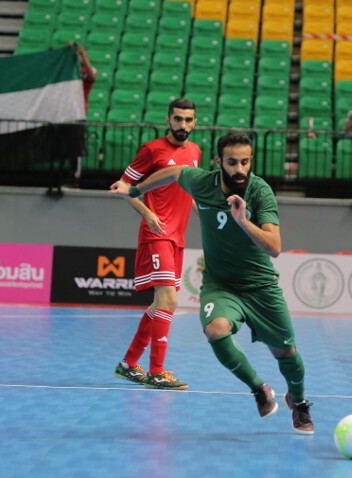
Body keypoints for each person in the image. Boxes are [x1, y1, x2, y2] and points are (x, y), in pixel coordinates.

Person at [109, 132, 315, 434]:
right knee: (215, 330)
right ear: (219, 162)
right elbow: (174, 173)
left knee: (286, 353)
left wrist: (243, 220)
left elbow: (274, 246)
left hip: (261, 286)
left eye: (245, 162)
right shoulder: (202, 182)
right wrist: (135, 188)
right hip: (220, 284)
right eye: (232, 162)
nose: (240, 169)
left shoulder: (260, 192)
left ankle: (298, 403)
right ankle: (258, 388)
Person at [112, 98, 201, 390]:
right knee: (169, 301)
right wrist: (148, 213)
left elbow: (192, 194)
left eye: (188, 120)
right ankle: (157, 372)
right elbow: (123, 188)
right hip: (157, 233)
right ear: (168, 120)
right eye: (178, 119)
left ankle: (128, 363)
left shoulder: (196, 152)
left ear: (194, 122)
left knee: (160, 302)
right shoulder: (151, 150)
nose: (183, 125)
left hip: (178, 237)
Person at [67, 41, 96, 112]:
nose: (78, 57)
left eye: (80, 55)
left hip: (78, 110)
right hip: (62, 109)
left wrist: (83, 55)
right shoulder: (66, 70)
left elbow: (91, 77)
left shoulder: (89, 70)